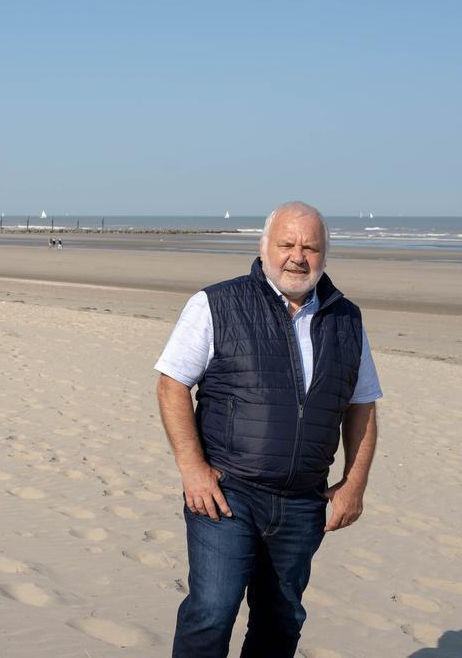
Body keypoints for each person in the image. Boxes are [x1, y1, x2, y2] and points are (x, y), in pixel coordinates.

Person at [155, 201, 381, 658]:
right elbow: (171, 383)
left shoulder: (347, 320)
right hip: (226, 491)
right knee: (212, 610)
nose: (298, 256)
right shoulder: (217, 302)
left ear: (324, 256)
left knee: (282, 619)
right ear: (264, 248)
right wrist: (192, 468)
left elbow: (362, 407)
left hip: (303, 501)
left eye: (311, 247)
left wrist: (354, 485)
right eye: (287, 244)